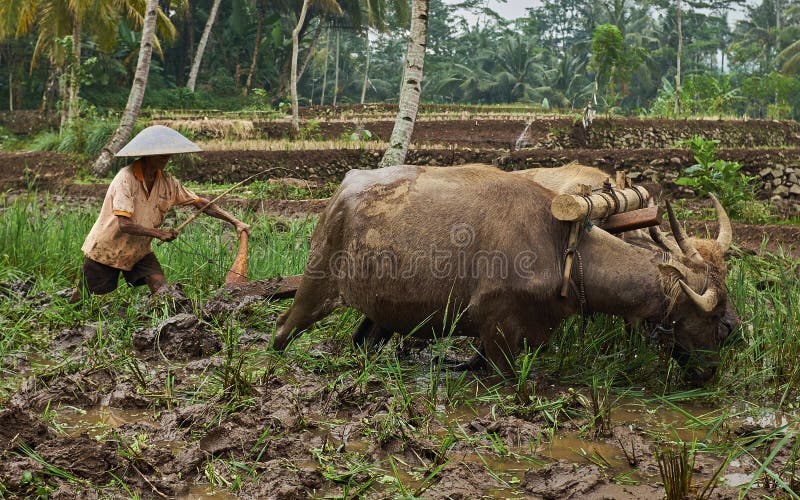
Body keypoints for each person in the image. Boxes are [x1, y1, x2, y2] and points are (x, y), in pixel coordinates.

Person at [71, 125, 251, 302]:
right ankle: (70, 313)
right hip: (107, 248)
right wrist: (159, 233)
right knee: (83, 297)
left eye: (169, 152)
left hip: (139, 251)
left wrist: (235, 222)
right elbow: (124, 224)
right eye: (162, 153)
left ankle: (171, 318)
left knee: (162, 290)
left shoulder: (167, 182)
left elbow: (202, 204)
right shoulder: (125, 179)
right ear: (147, 154)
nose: (167, 157)